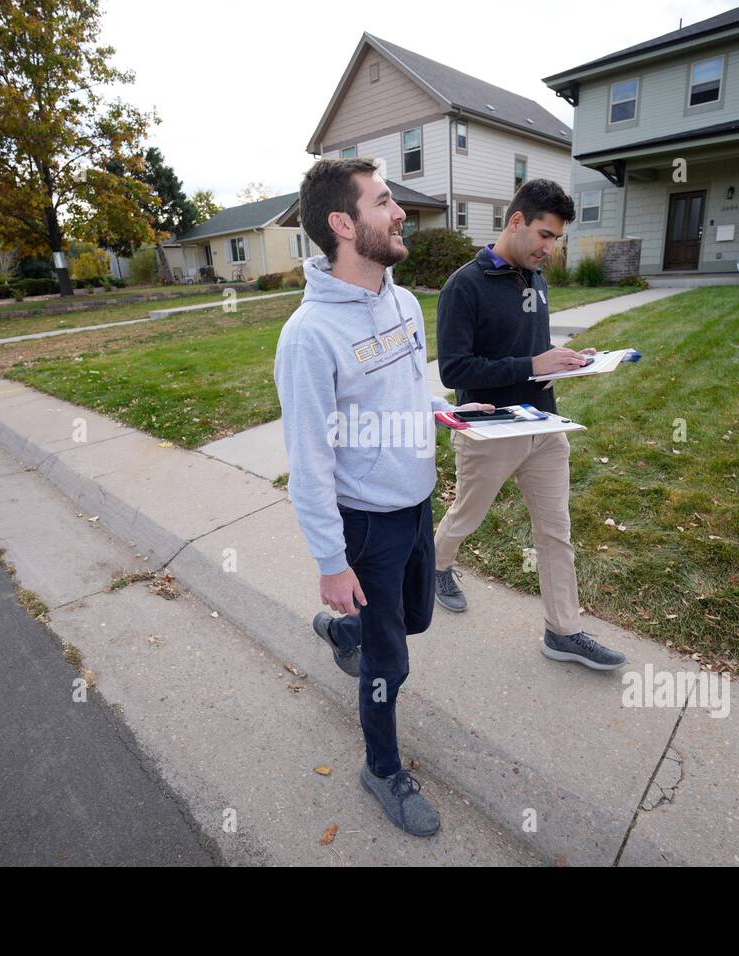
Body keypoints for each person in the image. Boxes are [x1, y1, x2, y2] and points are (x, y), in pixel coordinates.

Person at [273, 157, 491, 837]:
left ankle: (346, 630)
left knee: (416, 618)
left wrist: (440, 409)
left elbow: (398, 388)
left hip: (416, 502)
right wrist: (330, 562)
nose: (401, 213)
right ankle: (382, 767)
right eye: (385, 201)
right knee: (390, 663)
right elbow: (307, 463)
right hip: (364, 525)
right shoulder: (308, 338)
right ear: (343, 223)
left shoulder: (401, 299)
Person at [433, 179, 628, 672]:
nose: (549, 248)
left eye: (556, 239)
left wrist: (569, 362)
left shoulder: (535, 278)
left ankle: (563, 631)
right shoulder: (464, 286)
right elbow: (455, 370)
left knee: (555, 531)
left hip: (543, 427)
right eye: (544, 234)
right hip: (491, 430)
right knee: (465, 517)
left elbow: (531, 353)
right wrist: (533, 364)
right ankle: (435, 566)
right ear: (516, 221)